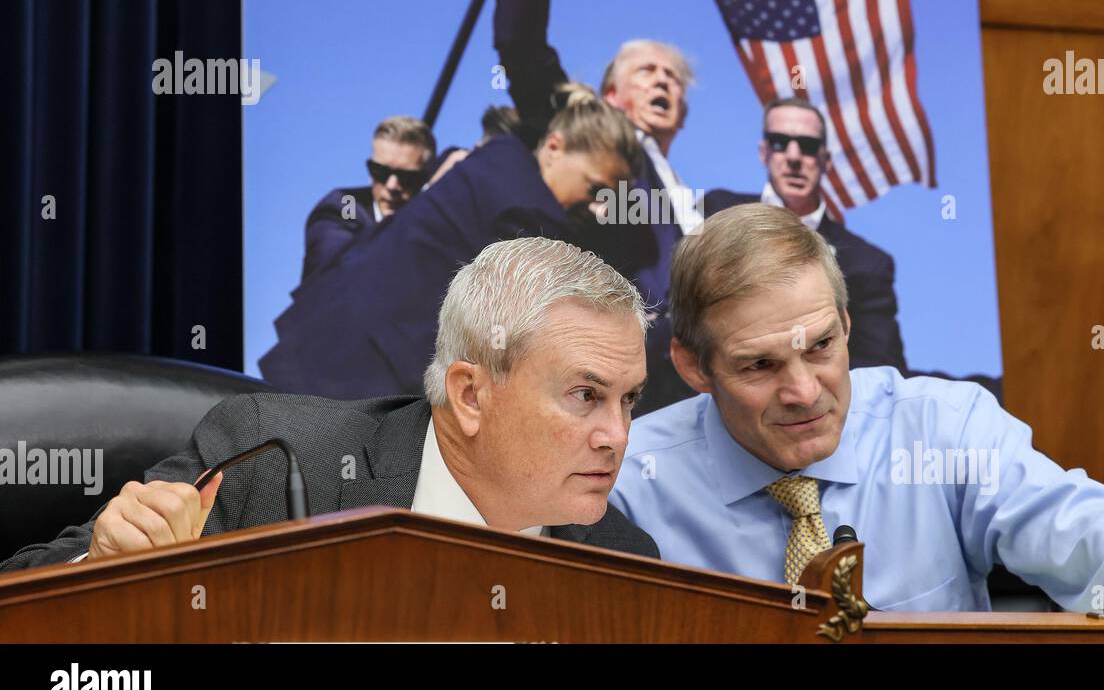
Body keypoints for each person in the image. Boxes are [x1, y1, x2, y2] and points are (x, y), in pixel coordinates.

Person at [608, 204, 1104, 611]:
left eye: (822, 347)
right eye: (759, 365)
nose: (803, 392)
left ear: (848, 325)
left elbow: (1089, 540)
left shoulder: (943, 430)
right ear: (693, 367)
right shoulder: (629, 481)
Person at [2, 237, 657, 571]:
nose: (617, 435)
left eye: (628, 400)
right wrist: (110, 567)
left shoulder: (626, 559)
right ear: (471, 395)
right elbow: (23, 594)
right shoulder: (267, 460)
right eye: (585, 396)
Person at [258, 93, 643, 399]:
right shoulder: (529, 212)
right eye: (595, 189)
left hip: (325, 328)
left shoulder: (498, 155)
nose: (597, 208)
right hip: (360, 374)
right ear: (555, 146)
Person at [494, 0, 702, 308]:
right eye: (646, 71)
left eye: (672, 78)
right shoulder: (586, 136)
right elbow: (522, 50)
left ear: (683, 114)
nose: (662, 81)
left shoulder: (688, 195)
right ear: (611, 96)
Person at [705, 96, 907, 373]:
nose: (794, 156)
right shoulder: (716, 211)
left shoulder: (866, 264)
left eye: (808, 146)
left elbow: (879, 372)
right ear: (763, 152)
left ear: (826, 160)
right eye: (779, 142)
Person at [301, 116, 436, 281]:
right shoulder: (346, 203)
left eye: (406, 177)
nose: (392, 185)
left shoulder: (433, 219)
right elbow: (341, 265)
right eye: (380, 171)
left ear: (425, 178)